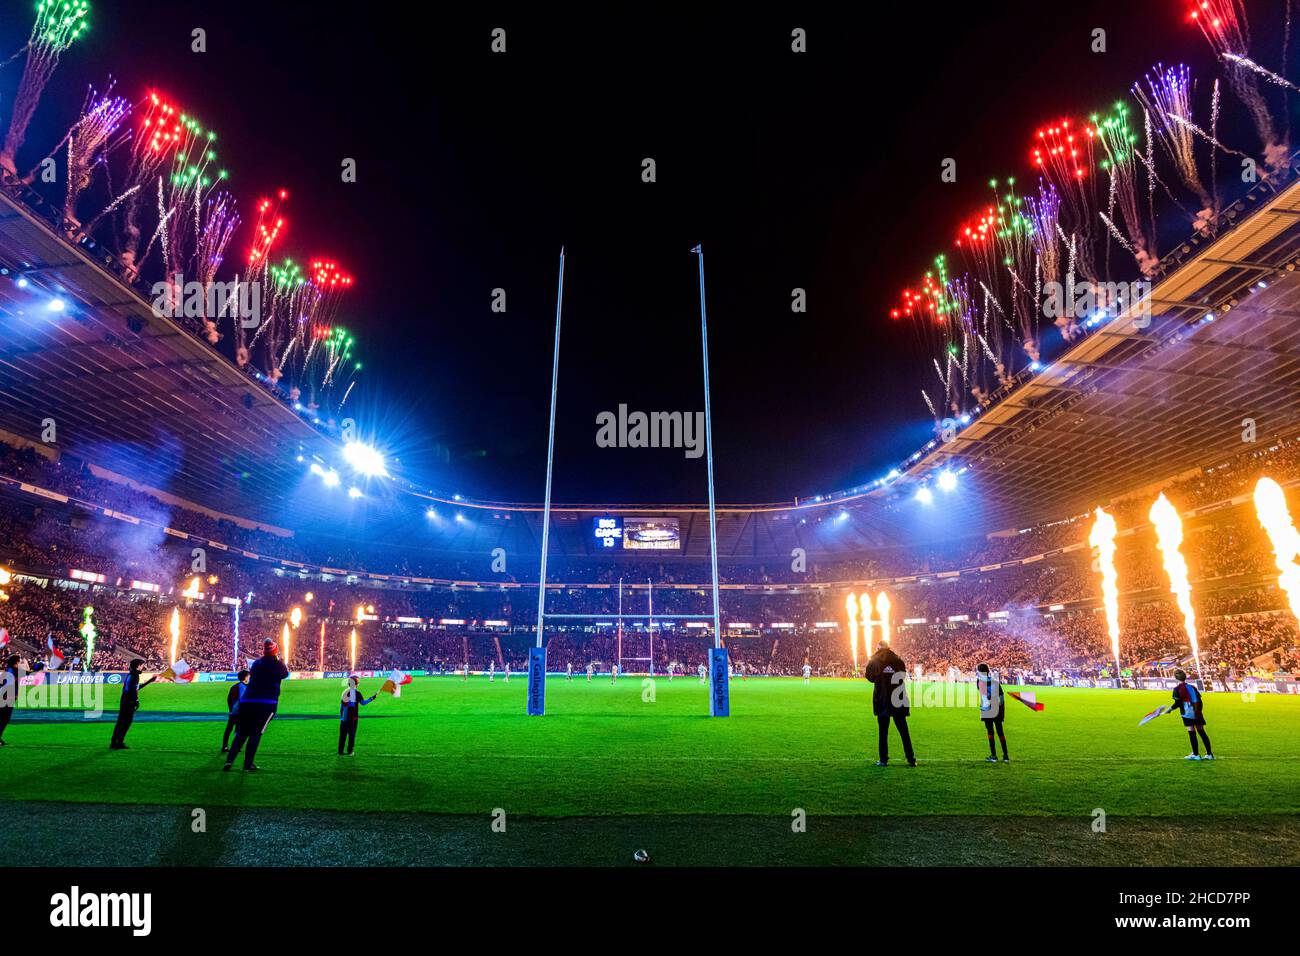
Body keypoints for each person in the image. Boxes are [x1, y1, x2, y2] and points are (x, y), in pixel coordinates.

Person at [223, 638, 289, 773]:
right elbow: (285, 674)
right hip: (266, 703)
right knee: (256, 733)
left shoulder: (257, 663)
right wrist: (277, 658)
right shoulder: (277, 664)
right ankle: (247, 765)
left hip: (247, 702)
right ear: (275, 651)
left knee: (242, 732)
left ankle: (229, 761)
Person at [864, 639, 915, 767]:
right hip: (898, 699)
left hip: (882, 700)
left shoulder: (874, 661)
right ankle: (911, 759)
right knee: (904, 731)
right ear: (888, 647)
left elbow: (869, 677)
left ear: (878, 648)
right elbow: (903, 675)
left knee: (883, 732)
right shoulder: (897, 659)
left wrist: (881, 677)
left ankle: (883, 760)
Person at [110, 658, 158, 750]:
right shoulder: (135, 675)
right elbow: (133, 690)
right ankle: (119, 742)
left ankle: (114, 742)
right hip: (129, 702)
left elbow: (134, 688)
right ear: (138, 666)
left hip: (124, 700)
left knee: (120, 722)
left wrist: (149, 681)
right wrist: (136, 701)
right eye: (142, 665)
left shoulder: (131, 674)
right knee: (126, 723)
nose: (143, 666)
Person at [1168, 669, 1214, 760]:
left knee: (1191, 732)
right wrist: (1199, 711)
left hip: (1187, 713)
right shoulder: (1192, 687)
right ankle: (1209, 754)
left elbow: (1177, 703)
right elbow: (1200, 700)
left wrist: (1169, 709)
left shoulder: (1177, 689)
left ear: (1176, 678)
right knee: (1202, 732)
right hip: (1197, 711)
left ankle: (1196, 755)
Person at [976, 663, 1009, 763]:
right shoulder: (995, 682)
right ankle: (1006, 756)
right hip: (996, 708)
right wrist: (1001, 709)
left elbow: (984, 694)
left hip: (987, 709)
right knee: (1000, 732)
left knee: (990, 732)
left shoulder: (979, 682)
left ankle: (994, 756)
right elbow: (1002, 698)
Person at [338, 676, 377, 756]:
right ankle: (350, 751)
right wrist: (372, 698)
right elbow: (363, 703)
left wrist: (341, 717)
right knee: (352, 735)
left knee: (342, 735)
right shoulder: (357, 693)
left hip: (343, 718)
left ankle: (340, 751)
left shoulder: (345, 692)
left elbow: (341, 706)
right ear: (356, 684)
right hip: (352, 719)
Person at [221, 669, 250, 753]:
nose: (249, 677)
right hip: (240, 712)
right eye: (248, 676)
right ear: (245, 677)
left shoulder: (235, 686)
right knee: (238, 730)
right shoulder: (242, 687)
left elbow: (229, 699)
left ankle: (225, 747)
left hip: (234, 712)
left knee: (230, 729)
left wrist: (231, 709)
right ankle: (235, 747)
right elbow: (242, 700)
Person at [0, 654, 21, 745]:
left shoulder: (11, 670)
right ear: (15, 662)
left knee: (4, 719)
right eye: (18, 661)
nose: (19, 663)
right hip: (6, 698)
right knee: (4, 719)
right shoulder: (11, 671)